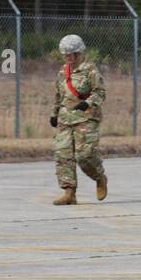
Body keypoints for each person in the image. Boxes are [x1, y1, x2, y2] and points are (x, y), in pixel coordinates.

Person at [51, 34, 108, 204]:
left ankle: (100, 178)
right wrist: (54, 114)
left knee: (85, 155)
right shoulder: (63, 72)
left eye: (70, 54)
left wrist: (88, 103)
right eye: (65, 55)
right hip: (65, 119)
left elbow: (100, 93)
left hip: (86, 119)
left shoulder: (90, 70)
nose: (68, 58)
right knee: (63, 155)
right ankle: (69, 193)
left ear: (79, 53)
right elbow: (58, 95)